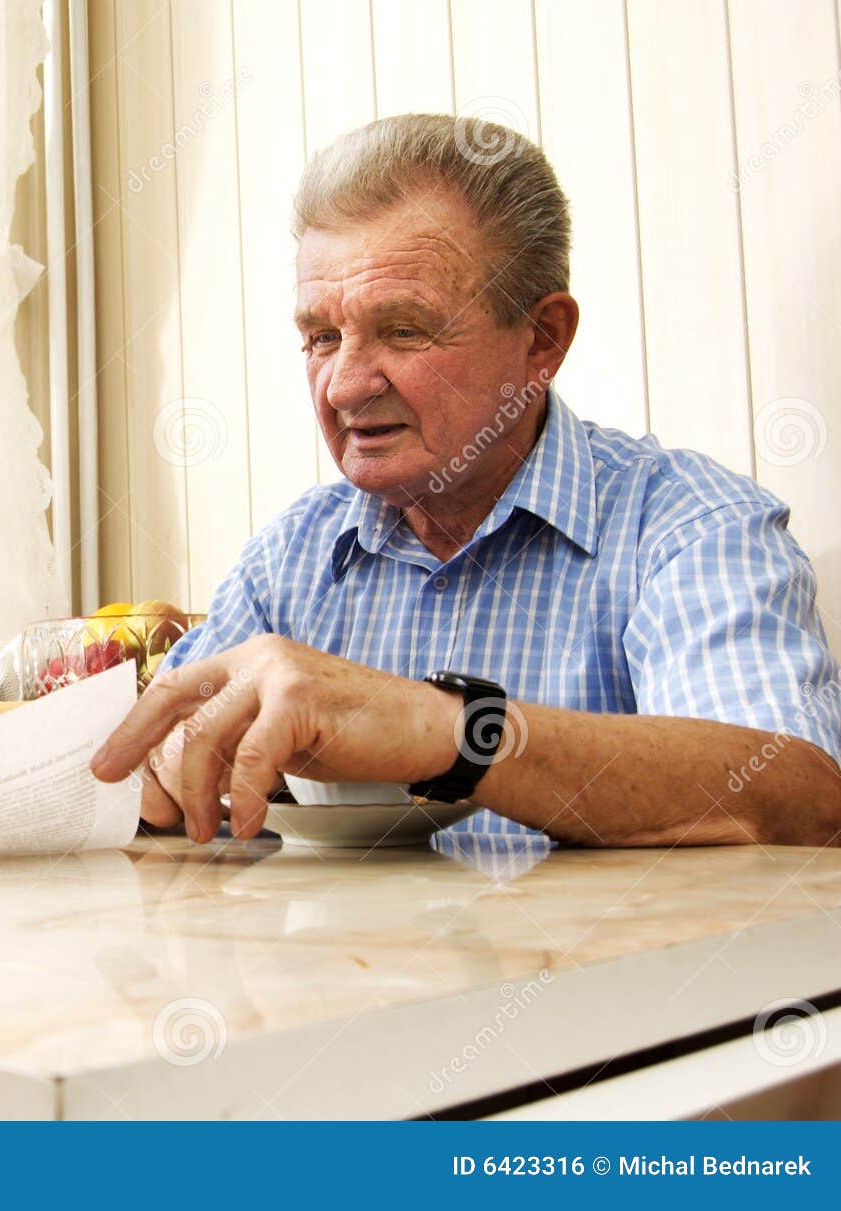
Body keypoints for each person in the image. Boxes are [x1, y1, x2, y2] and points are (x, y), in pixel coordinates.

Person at [92, 113, 841, 850]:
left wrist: (451, 730)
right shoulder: (287, 559)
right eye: (321, 337)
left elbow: (797, 798)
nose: (344, 385)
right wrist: (158, 775)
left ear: (542, 339)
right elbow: (149, 768)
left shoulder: (687, 525)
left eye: (404, 329)